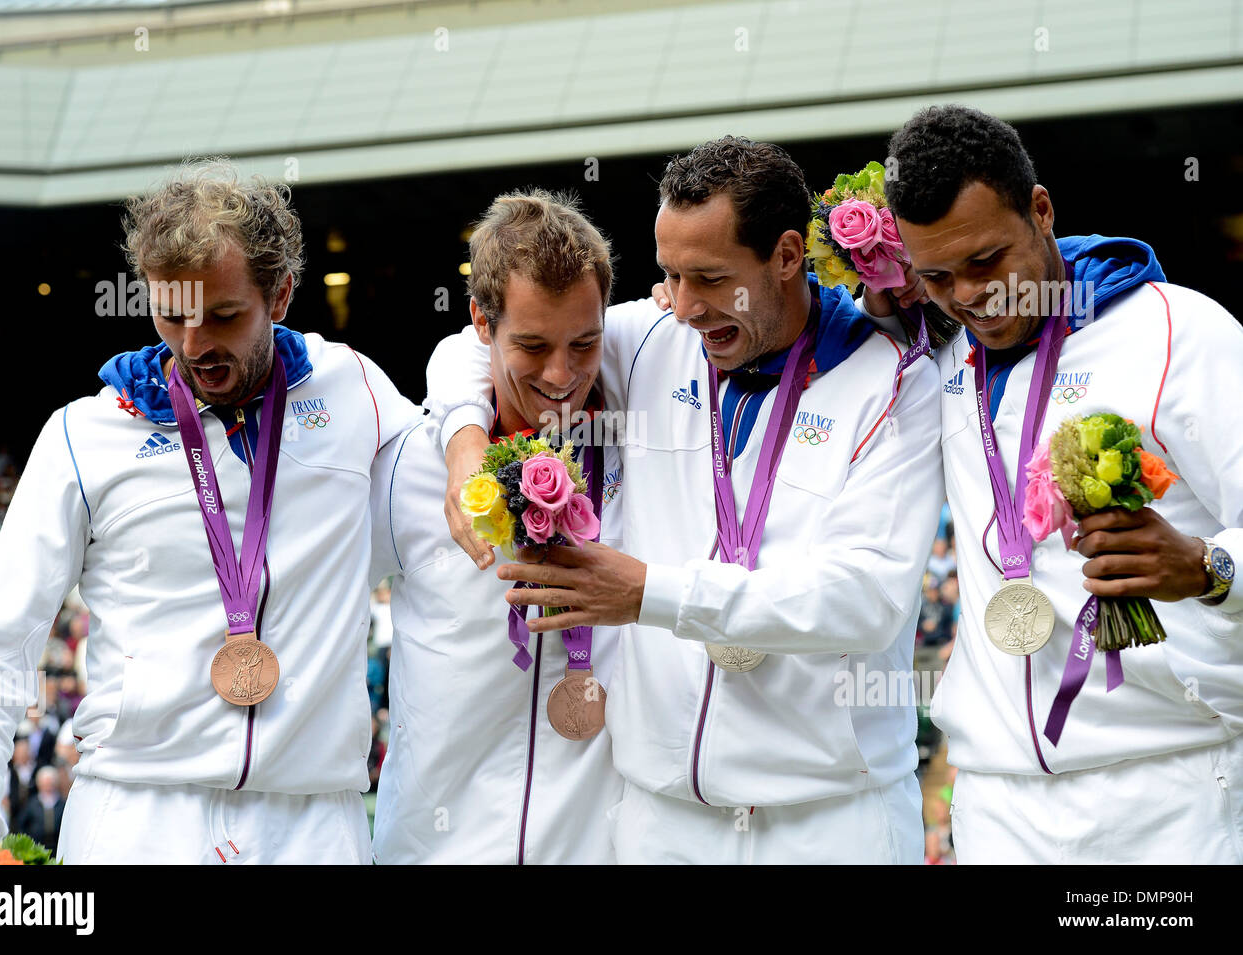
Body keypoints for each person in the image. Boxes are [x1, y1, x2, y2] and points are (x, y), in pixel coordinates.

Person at [428, 138, 942, 863]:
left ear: (789, 255)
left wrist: (651, 593)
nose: (688, 306)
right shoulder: (649, 341)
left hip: (826, 819)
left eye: (710, 277)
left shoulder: (895, 380)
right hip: (659, 820)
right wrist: (464, 443)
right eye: (671, 274)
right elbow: (477, 341)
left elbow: (865, 599)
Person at [0, 159, 420, 865]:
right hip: (136, 821)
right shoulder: (83, 434)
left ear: (282, 293)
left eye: (225, 315)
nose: (195, 346)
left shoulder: (356, 390)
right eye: (172, 314)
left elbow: (465, 423)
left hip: (316, 825)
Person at [884, 104, 1243, 863]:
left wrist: (1211, 568)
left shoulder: (1180, 332)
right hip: (999, 804)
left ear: (1041, 210)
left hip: (1168, 787)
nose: (970, 295)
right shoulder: (939, 359)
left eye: (987, 260)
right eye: (938, 276)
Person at [371, 189, 624, 863]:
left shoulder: (641, 440)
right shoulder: (404, 467)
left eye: (586, 342)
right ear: (481, 322)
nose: (563, 374)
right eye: (533, 346)